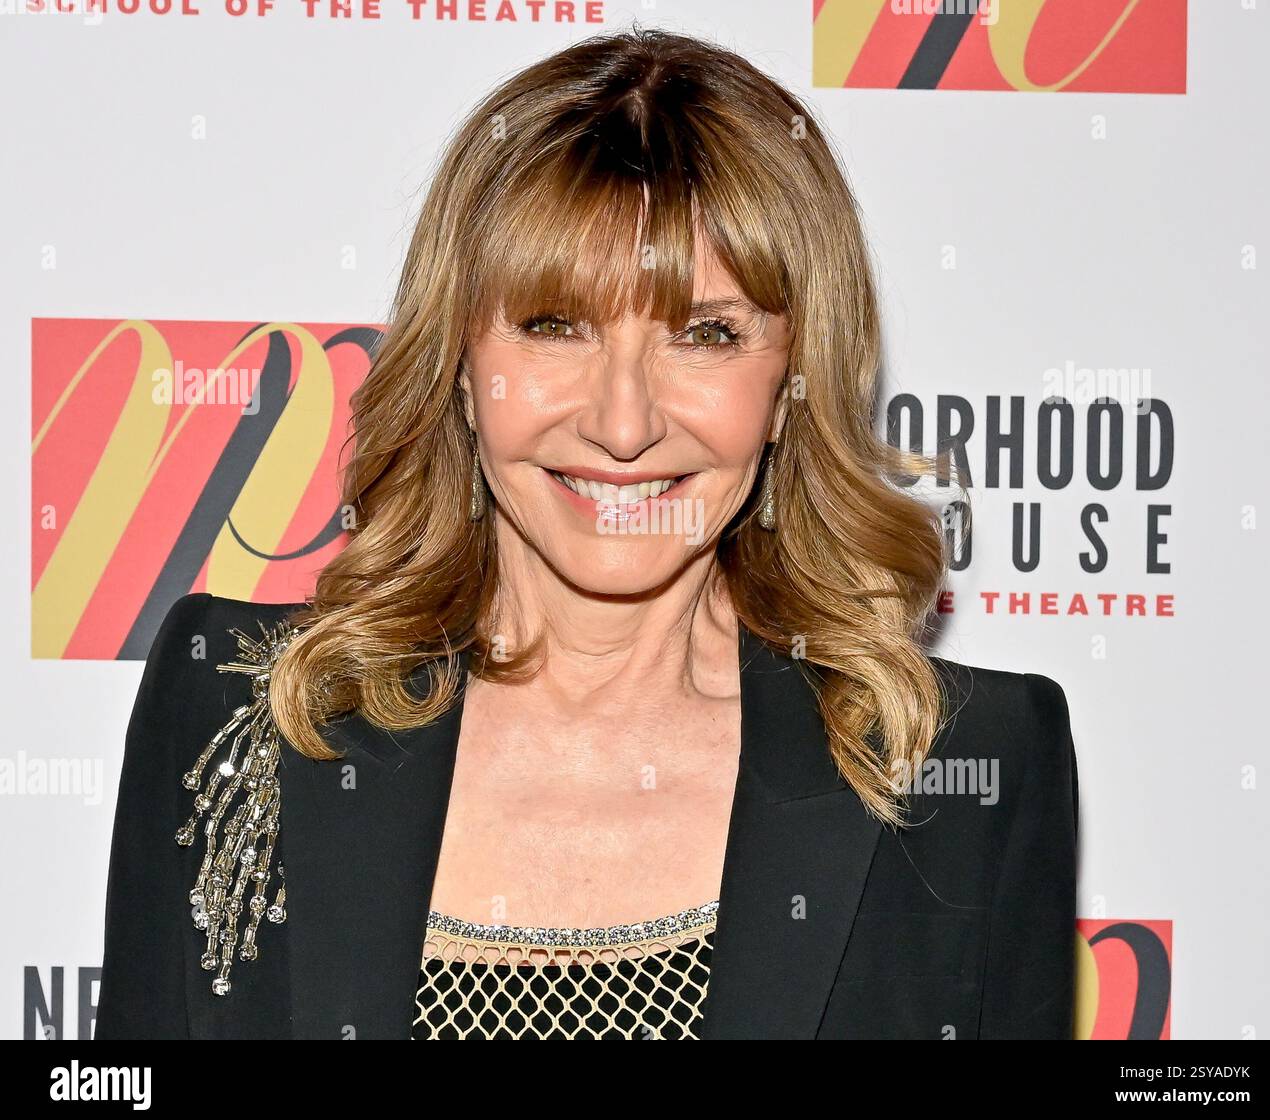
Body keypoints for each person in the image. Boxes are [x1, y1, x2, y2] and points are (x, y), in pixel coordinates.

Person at [95, 26, 1079, 1041]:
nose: (622, 423)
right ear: (462, 364)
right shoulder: (240, 708)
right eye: (554, 324)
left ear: (791, 384)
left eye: (707, 334)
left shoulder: (957, 766)